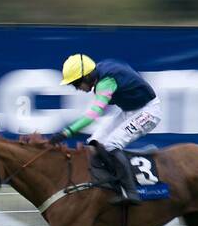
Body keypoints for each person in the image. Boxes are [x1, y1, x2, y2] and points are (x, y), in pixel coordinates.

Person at [45, 54, 162, 204]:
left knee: (111, 144)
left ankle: (131, 192)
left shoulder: (106, 82)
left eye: (76, 83)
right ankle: (111, 179)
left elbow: (93, 115)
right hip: (130, 110)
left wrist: (66, 132)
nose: (77, 88)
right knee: (94, 141)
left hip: (149, 111)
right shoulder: (100, 71)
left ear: (87, 77)